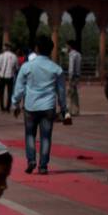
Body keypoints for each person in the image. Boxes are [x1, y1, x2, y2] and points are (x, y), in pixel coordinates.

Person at [12, 35, 68, 175]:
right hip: (48, 107)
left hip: (30, 106)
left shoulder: (27, 66)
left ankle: (31, 160)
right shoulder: (56, 69)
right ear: (51, 50)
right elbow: (61, 92)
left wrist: (15, 103)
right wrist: (64, 108)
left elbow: (19, 88)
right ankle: (43, 166)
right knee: (46, 137)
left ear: (36, 49)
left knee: (30, 135)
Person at [0, 43, 19, 112]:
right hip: (10, 76)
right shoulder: (14, 56)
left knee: (1, 93)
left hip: (2, 76)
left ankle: (2, 108)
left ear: (5, 48)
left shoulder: (1, 56)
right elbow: (16, 67)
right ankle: (8, 108)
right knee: (10, 93)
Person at [66, 40, 82, 116]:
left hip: (73, 76)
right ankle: (76, 110)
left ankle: (68, 110)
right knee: (74, 94)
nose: (66, 47)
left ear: (70, 46)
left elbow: (71, 68)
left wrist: (69, 78)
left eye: (67, 46)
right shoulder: (78, 54)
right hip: (77, 76)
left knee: (69, 94)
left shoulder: (72, 54)